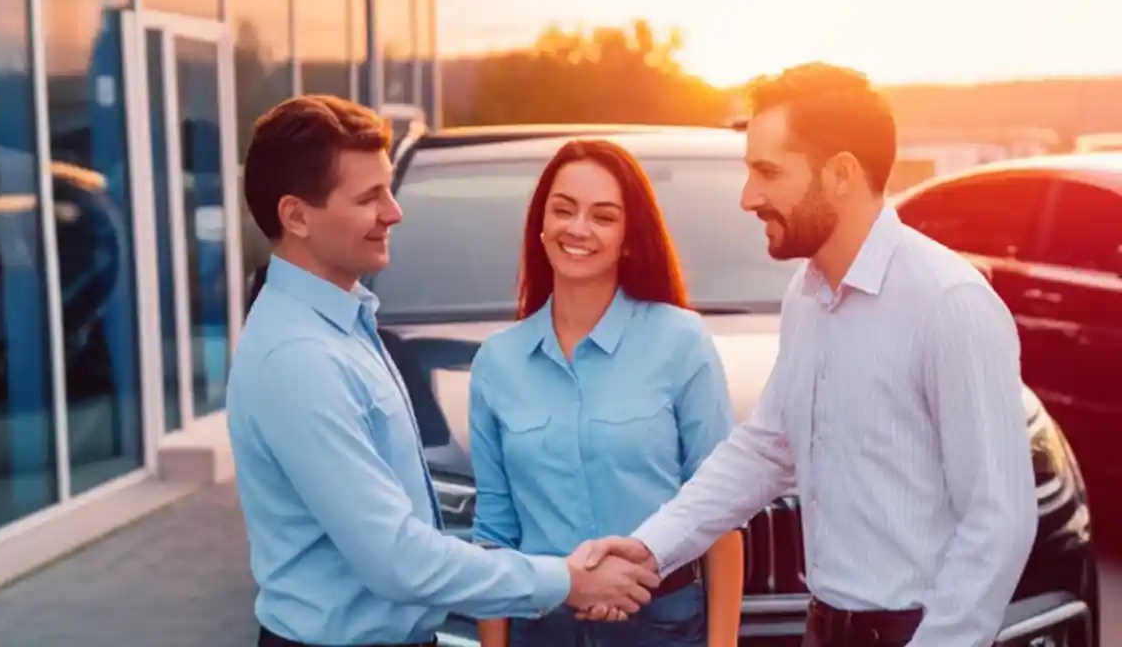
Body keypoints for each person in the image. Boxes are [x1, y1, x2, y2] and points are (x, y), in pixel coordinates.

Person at [573, 63, 1038, 647]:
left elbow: (1000, 521)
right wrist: (650, 546)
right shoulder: (808, 295)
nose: (748, 198)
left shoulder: (950, 303)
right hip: (822, 628)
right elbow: (769, 447)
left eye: (767, 172)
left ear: (841, 173)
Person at [225, 95, 660, 647]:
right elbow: (398, 561)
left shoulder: (342, 322)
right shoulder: (299, 360)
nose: (394, 211)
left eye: (388, 189)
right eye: (369, 197)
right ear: (296, 216)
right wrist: (566, 580)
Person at [468, 139, 744, 647]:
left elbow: (719, 515)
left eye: (603, 216)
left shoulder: (681, 341)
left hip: (663, 625)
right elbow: (494, 534)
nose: (579, 229)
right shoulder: (497, 363)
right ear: (542, 224)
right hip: (543, 626)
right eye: (564, 210)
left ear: (629, 238)